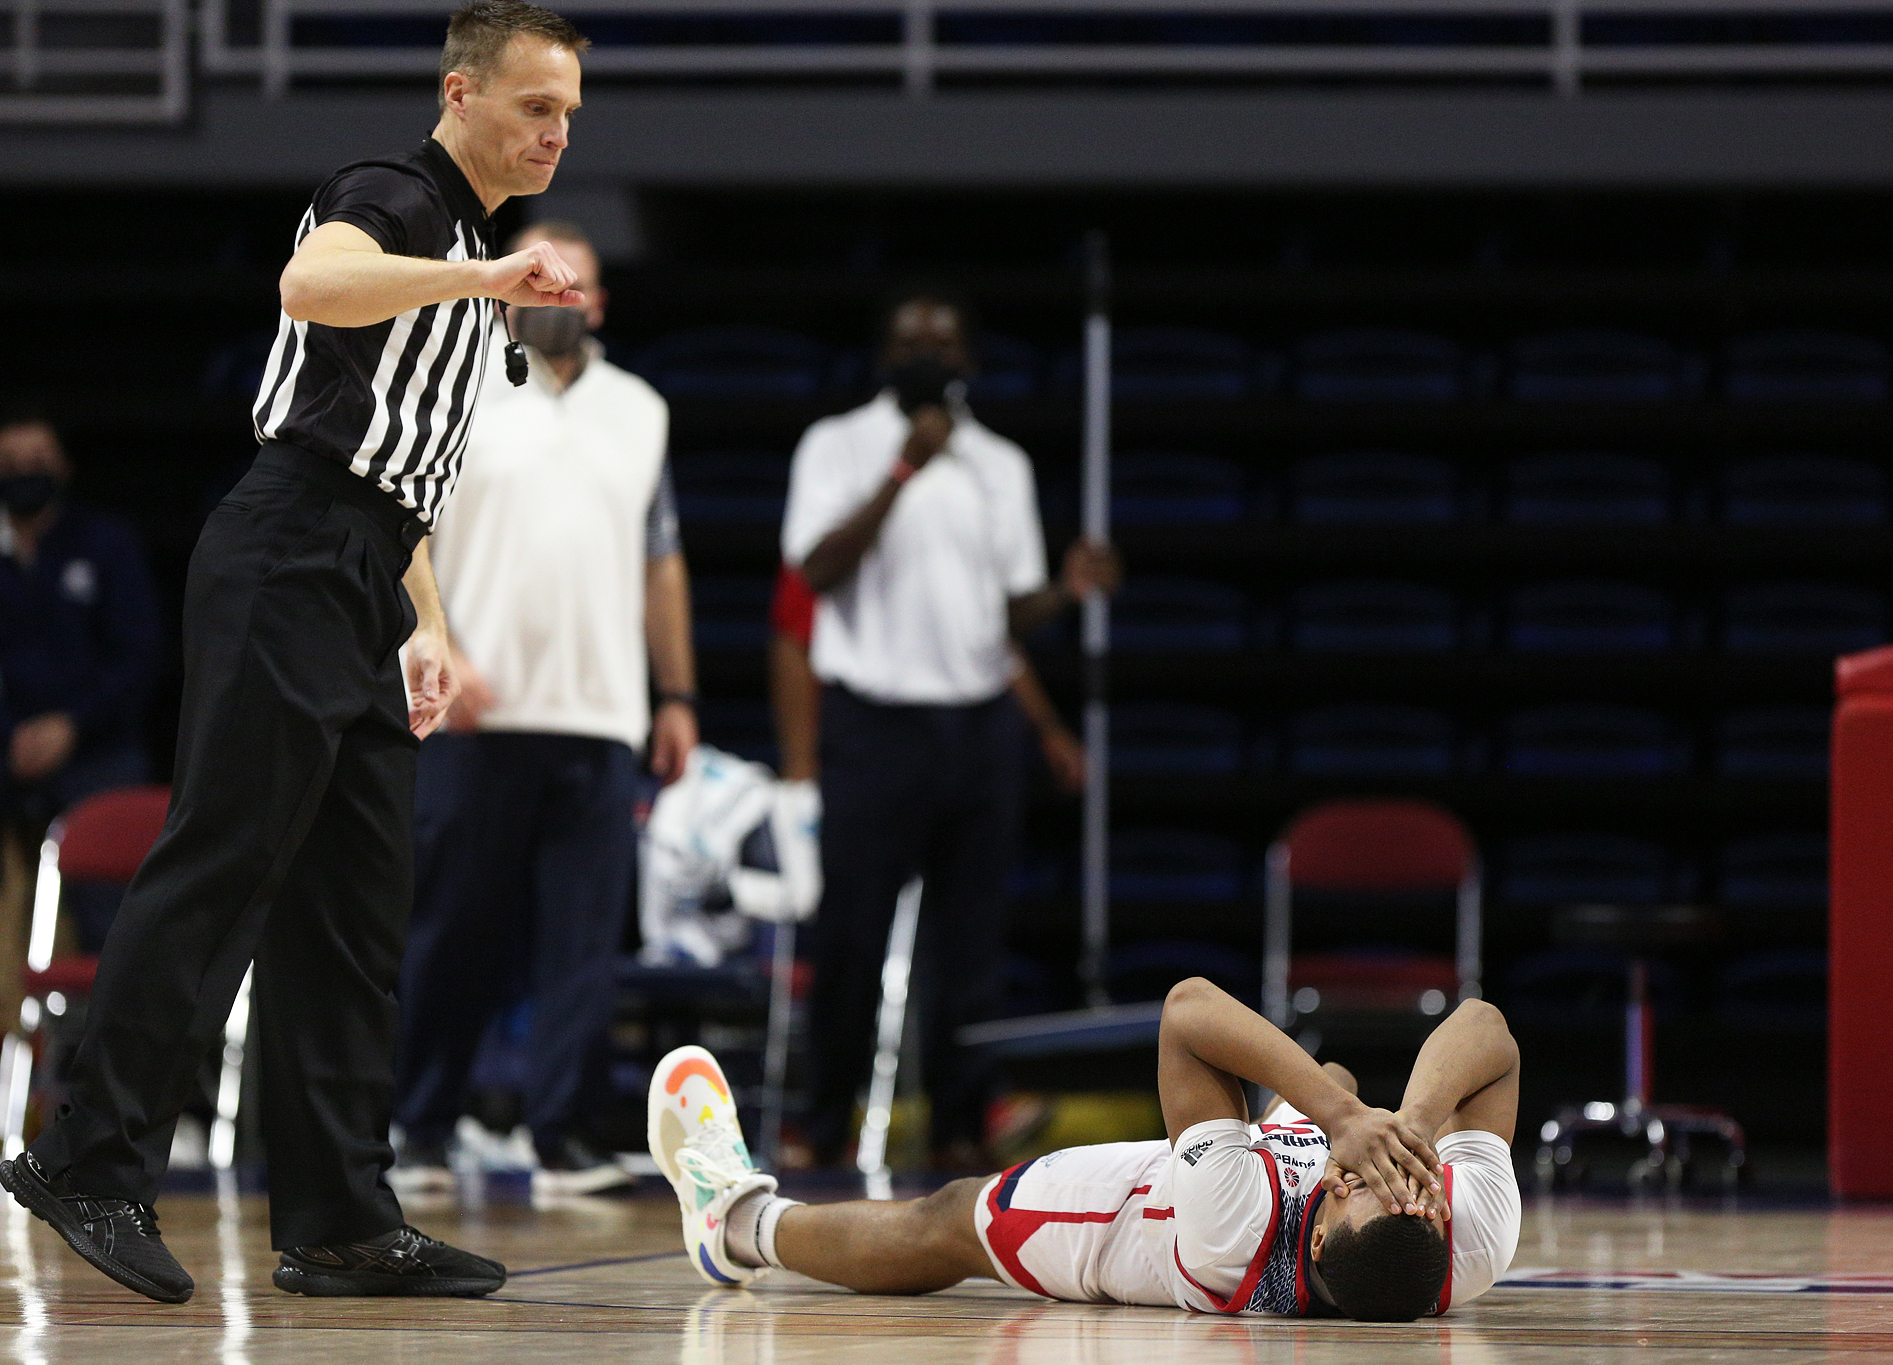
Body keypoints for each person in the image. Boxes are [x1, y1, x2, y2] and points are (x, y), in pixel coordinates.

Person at [0, 0, 588, 1303]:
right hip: (285, 549)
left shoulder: (467, 260)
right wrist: (483, 277)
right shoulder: (393, 194)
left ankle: (337, 1217)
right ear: (462, 92)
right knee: (226, 855)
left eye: (569, 117)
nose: (557, 134)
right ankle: (89, 1155)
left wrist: (425, 619)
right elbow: (309, 285)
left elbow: (402, 474)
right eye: (536, 107)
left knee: (356, 907)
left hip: (364, 569)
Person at [393, 219, 697, 1198]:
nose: (555, 292)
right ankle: (421, 1125)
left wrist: (677, 693)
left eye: (575, 282)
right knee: (452, 931)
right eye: (540, 276)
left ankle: (561, 1134)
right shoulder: (454, 387)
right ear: (504, 290)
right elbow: (404, 535)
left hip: (602, 711)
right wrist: (437, 645)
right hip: (478, 710)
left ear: (598, 303)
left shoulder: (640, 410)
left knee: (583, 943)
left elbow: (662, 563)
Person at [649, 979, 1520, 1321]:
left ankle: (733, 1219)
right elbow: (1488, 1027)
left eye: (1365, 1183)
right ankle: (1332, 1100)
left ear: (1320, 1234)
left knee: (950, 1216)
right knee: (1326, 1068)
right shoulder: (1471, 1240)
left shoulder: (1235, 1229)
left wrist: (1337, 1114)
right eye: (1414, 1180)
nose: (1390, 1173)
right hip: (1268, 1160)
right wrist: (1408, 1121)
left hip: (1125, 1221)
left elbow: (1185, 1012)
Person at [781, 294, 1118, 1171]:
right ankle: (820, 1124)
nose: (924, 356)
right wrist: (899, 473)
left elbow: (1007, 610)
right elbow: (814, 570)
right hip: (872, 721)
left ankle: (964, 1125)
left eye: (941, 344)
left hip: (977, 725)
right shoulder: (835, 445)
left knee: (970, 947)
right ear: (882, 355)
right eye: (907, 342)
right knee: (850, 936)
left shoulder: (998, 465)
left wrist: (1070, 590)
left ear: (969, 359)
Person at [0, 408, 161, 967]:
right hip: (9, 753)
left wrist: (69, 725)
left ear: (64, 467)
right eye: (10, 463)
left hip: (97, 753)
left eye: (37, 461)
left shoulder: (105, 543)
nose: (24, 472)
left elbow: (138, 657)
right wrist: (12, 736)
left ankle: (105, 1051)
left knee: (115, 935)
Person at [766, 561, 1084, 791]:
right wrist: (800, 764)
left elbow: (988, 641)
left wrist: (1049, 729)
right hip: (862, 755)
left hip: (952, 749)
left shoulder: (955, 536)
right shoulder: (844, 530)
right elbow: (794, 639)